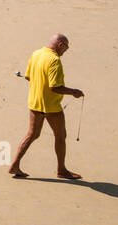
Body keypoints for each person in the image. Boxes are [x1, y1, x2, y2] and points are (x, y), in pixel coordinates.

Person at [7, 33, 84, 179]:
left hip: (35, 103)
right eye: (65, 49)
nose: (64, 53)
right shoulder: (54, 60)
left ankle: (15, 165)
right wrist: (74, 92)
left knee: (32, 134)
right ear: (60, 45)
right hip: (51, 107)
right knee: (60, 136)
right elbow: (55, 87)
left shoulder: (36, 54)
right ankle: (61, 170)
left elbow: (28, 76)